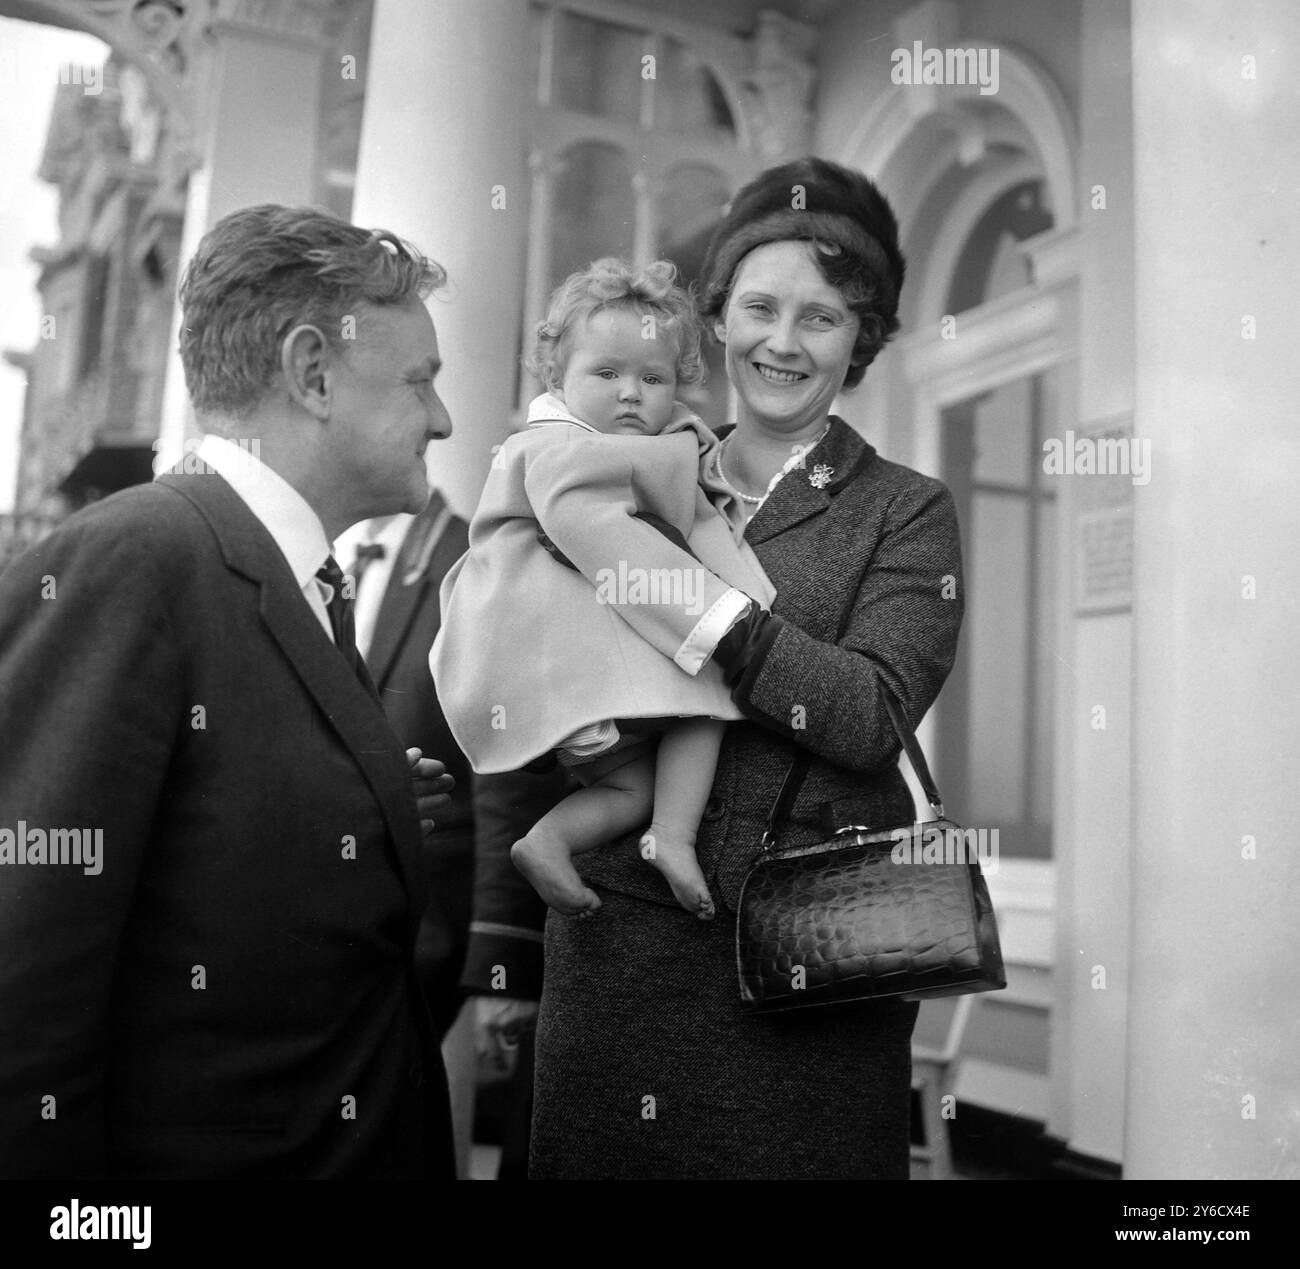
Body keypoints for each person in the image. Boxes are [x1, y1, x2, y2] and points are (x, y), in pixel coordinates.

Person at [528, 158, 966, 1180]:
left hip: (807, 962)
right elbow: (531, 648)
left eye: (821, 317)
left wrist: (700, 607)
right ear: (715, 319)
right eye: (759, 306)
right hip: (618, 948)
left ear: (861, 341)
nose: (782, 340)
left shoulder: (903, 510)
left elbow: (867, 712)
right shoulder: (629, 468)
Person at [0, 204, 458, 1180]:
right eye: (419, 381)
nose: (443, 419)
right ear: (313, 372)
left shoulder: (295, 579)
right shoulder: (133, 560)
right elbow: (24, 980)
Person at [431, 259, 775, 921]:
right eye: (607, 373)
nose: (631, 394)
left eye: (654, 378)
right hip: (561, 655)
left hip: (578, 681)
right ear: (558, 376)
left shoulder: (627, 445)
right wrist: (723, 617)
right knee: (709, 694)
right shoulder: (560, 447)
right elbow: (585, 524)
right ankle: (674, 837)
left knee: (630, 783)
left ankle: (549, 839)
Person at [337, 496, 568, 1176]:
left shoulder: (475, 561)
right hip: (346, 936)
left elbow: (507, 769)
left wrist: (500, 955)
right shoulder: (309, 559)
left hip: (442, 940)